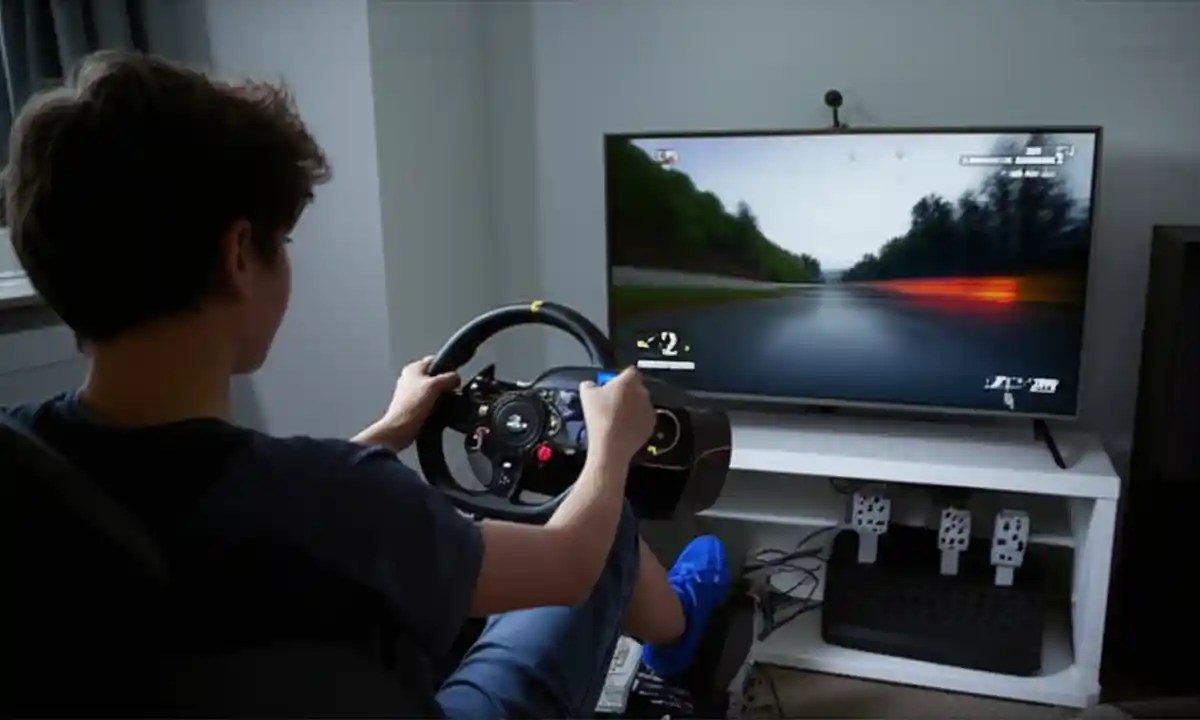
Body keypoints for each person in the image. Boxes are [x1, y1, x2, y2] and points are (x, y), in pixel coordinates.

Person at [1, 51, 730, 718]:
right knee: (603, 529)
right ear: (237, 258)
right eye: (280, 244)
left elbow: (234, 519)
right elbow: (566, 565)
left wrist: (389, 430)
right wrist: (610, 446)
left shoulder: (26, 464)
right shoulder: (344, 497)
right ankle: (681, 635)